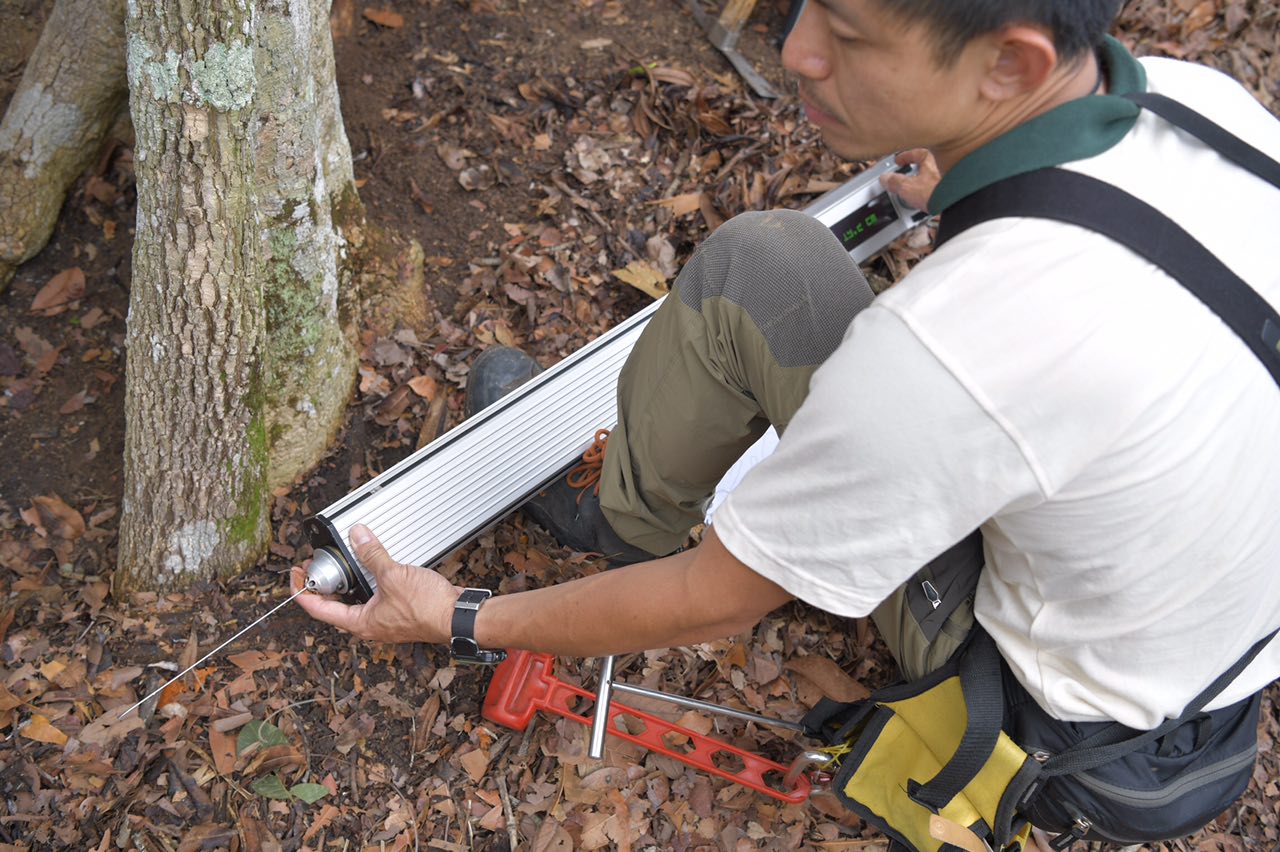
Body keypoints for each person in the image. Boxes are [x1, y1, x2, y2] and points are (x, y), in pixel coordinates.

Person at [294, 0, 1280, 841]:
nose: (798, 48)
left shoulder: (949, 351)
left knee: (758, 264)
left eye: (847, 34)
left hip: (1061, 724)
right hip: (1207, 641)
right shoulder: (1200, 109)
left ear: (1007, 63)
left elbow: (714, 598)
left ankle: (621, 519)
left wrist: (457, 617)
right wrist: (978, 181)